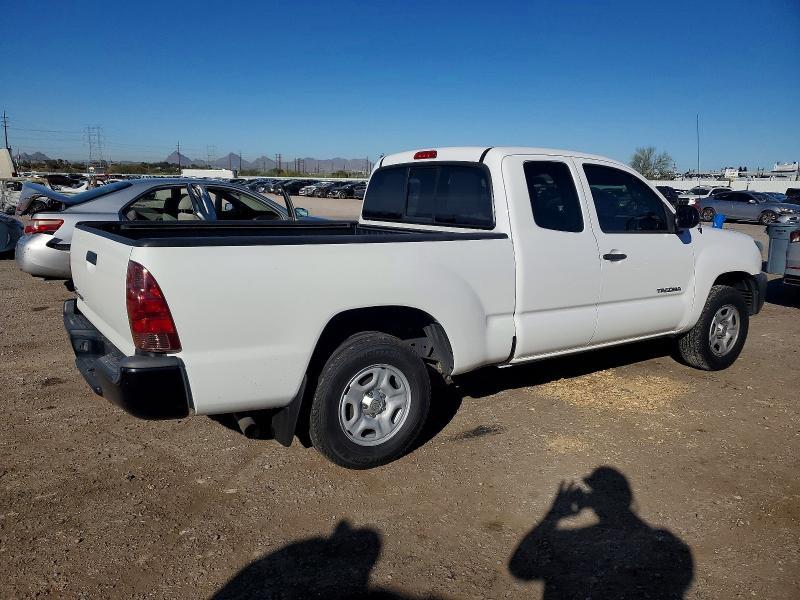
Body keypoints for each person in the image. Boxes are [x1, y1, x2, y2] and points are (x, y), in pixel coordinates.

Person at [509, 467, 693, 599]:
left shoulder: (573, 543)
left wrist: (554, 514)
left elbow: (518, 567)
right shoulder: (667, 544)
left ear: (597, 501)